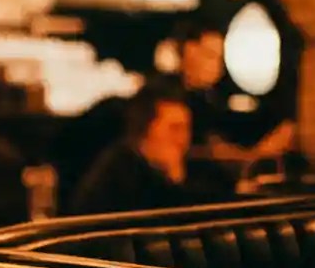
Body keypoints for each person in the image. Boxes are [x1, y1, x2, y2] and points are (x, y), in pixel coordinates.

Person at [70, 80, 229, 215]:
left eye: (186, 129)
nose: (182, 139)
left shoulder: (196, 171)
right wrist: (174, 183)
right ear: (144, 128)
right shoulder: (118, 173)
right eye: (174, 128)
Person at [170, 19, 297, 162]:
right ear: (188, 52)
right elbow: (209, 151)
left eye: (220, 59)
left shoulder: (213, 98)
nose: (217, 66)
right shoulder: (172, 98)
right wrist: (259, 155)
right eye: (210, 55)